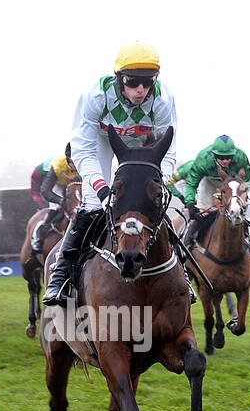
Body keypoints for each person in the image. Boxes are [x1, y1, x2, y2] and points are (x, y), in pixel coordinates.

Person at [43, 41, 178, 306]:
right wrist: (102, 188)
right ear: (119, 79)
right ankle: (61, 275)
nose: (141, 90)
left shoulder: (162, 100)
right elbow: (83, 150)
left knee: (154, 203)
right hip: (103, 141)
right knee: (93, 203)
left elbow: (168, 151)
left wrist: (160, 184)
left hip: (144, 143)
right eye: (133, 82)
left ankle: (181, 268)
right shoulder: (95, 96)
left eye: (148, 82)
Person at [173, 135, 250, 255]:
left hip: (233, 183)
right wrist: (190, 203)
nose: (225, 161)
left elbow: (247, 180)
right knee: (205, 213)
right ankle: (188, 243)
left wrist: (241, 197)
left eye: (228, 157)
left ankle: (247, 240)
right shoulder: (203, 159)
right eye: (221, 157)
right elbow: (192, 183)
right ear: (214, 155)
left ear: (234, 154)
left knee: (237, 210)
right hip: (209, 182)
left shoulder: (241, 156)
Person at [30, 144, 79, 253]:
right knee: (56, 207)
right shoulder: (58, 165)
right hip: (58, 182)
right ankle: (39, 236)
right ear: (68, 161)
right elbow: (45, 190)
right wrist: (61, 201)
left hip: (75, 183)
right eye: (73, 164)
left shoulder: (85, 163)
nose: (76, 167)